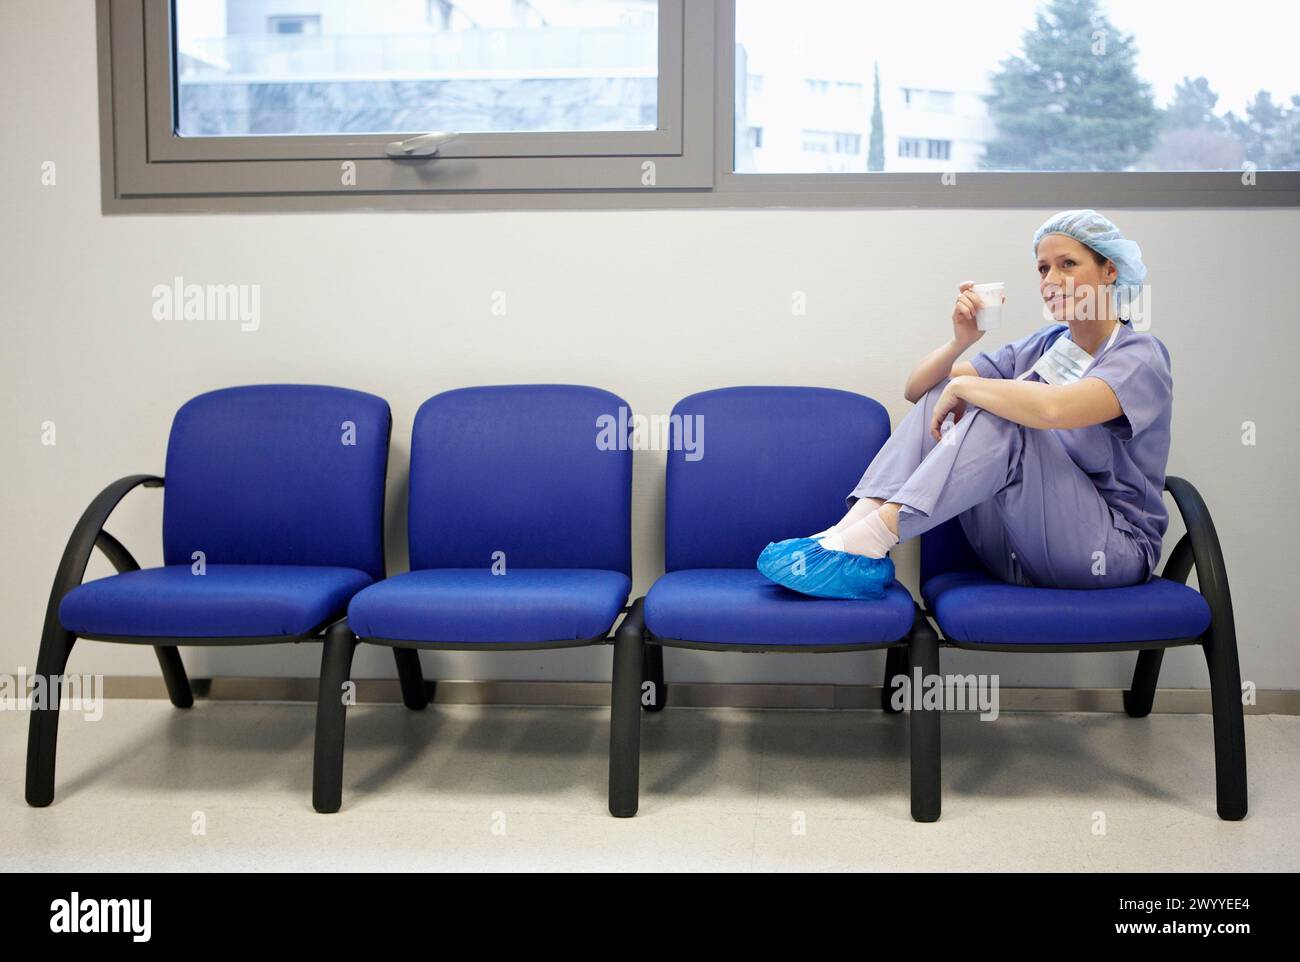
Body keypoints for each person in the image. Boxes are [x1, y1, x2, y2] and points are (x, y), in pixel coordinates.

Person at [758, 209, 1171, 600]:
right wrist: (962, 340)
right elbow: (917, 388)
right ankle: (848, 534)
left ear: (1110, 270)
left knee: (1006, 414)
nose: (1051, 279)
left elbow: (1054, 410)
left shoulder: (1140, 356)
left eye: (1068, 264)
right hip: (1017, 549)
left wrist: (970, 389)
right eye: (1043, 269)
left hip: (1105, 553)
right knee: (944, 392)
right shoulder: (1043, 346)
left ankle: (869, 540)